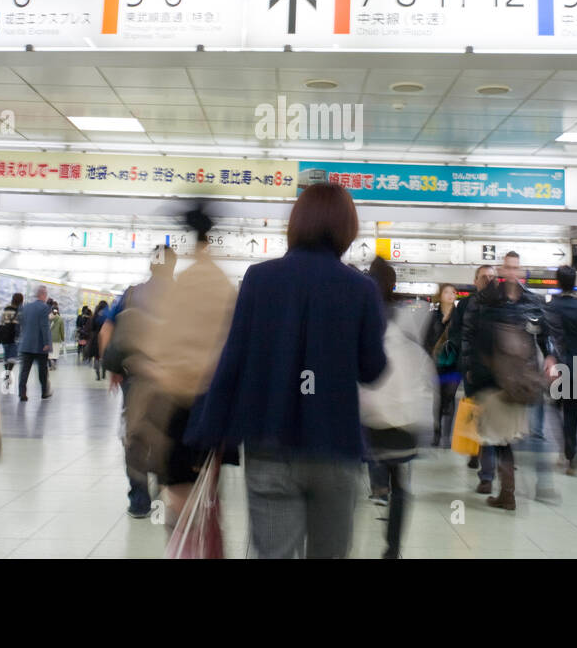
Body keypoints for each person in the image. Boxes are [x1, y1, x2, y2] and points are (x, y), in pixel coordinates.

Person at [184, 183, 386, 558]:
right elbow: (372, 369)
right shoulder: (361, 289)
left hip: (269, 444)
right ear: (348, 228)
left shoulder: (260, 279)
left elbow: (233, 360)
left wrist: (207, 432)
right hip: (335, 447)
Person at [121, 208, 237, 530]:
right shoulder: (224, 285)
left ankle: (182, 543)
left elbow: (159, 348)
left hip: (176, 407)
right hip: (212, 409)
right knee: (208, 497)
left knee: (179, 500)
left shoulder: (181, 285)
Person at [463, 250, 550, 511]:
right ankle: (503, 487)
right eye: (507, 267)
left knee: (505, 436)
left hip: (518, 380)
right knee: (500, 436)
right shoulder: (486, 299)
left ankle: (507, 489)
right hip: (492, 377)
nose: (511, 272)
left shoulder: (530, 301)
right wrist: (469, 368)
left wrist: (550, 356)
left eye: (516, 267)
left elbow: (544, 333)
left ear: (520, 271)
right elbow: (471, 334)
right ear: (502, 271)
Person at [361, 256, 435, 558]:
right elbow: (423, 365)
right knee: (400, 481)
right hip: (404, 413)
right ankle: (393, 547)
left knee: (361, 469)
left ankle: (375, 495)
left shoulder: (364, 315)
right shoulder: (410, 317)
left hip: (369, 410)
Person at [102, 245, 178, 519]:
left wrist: (112, 367)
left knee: (135, 435)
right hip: (172, 377)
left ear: (151, 265)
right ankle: (163, 486)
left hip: (134, 377)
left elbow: (107, 329)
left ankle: (139, 500)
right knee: (169, 431)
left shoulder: (131, 293)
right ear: (173, 266)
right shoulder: (184, 294)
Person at [546, 265, 577, 476]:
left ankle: (566, 449)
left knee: (555, 408)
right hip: (575, 363)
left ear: (557, 281)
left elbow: (546, 338)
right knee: (573, 411)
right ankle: (571, 455)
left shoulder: (550, 308)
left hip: (556, 366)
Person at [454, 265, 495, 469]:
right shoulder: (464, 305)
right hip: (471, 366)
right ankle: (474, 450)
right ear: (475, 281)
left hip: (493, 368)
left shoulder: (501, 304)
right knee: (473, 409)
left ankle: (487, 457)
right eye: (483, 277)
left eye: (491, 277)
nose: (488, 280)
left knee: (490, 411)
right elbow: (458, 333)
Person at [426, 283, 460, 447]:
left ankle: (447, 434)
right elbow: (426, 338)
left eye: (453, 292)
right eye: (446, 292)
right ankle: (437, 432)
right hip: (438, 362)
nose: (450, 295)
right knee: (439, 398)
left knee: (450, 395)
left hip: (454, 362)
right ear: (440, 296)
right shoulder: (434, 316)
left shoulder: (458, 315)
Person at [16, 286, 53, 402]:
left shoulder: (26, 307)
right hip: (40, 345)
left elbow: (21, 323)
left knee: (24, 371)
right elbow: (44, 326)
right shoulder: (44, 307)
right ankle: (44, 392)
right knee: (42, 370)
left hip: (26, 344)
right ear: (42, 295)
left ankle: (22, 393)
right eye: (45, 294)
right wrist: (47, 342)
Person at [0, 292, 23, 393]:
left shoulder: (6, 309)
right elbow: (20, 325)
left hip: (4, 336)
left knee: (6, 356)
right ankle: (8, 373)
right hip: (14, 337)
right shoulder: (20, 311)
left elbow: (1, 322)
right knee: (12, 357)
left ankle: (6, 373)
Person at [90, 300, 109, 379]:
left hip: (96, 338)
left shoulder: (95, 315)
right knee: (104, 356)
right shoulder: (107, 315)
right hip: (105, 338)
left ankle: (98, 374)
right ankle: (104, 372)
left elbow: (92, 328)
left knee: (97, 357)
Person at [47, 300, 65, 371]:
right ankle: (54, 363)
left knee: (49, 353)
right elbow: (62, 330)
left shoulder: (48, 317)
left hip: (49, 338)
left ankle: (50, 365)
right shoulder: (60, 319)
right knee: (56, 352)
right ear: (57, 311)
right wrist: (63, 338)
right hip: (57, 338)